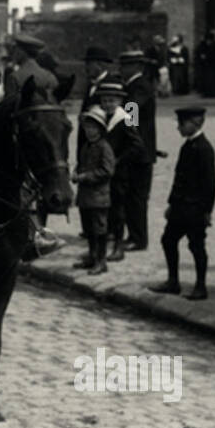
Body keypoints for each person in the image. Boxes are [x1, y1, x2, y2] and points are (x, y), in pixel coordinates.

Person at [149, 106, 215, 300]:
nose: (178, 128)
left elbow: (210, 185)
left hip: (195, 209)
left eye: (182, 124)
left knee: (196, 246)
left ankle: (201, 286)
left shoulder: (204, 149)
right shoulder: (187, 145)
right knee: (168, 240)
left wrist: (207, 211)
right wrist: (171, 204)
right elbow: (179, 179)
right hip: (180, 207)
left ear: (196, 123)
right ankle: (173, 281)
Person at [92, 76, 149, 264]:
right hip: (102, 172)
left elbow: (137, 145)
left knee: (117, 210)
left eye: (112, 100)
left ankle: (118, 246)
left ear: (119, 101)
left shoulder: (126, 119)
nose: (108, 104)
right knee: (101, 210)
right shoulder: (99, 118)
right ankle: (98, 250)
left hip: (118, 173)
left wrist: (118, 160)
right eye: (104, 100)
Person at [119, 49, 157, 250]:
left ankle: (139, 239)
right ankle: (133, 235)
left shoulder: (140, 86)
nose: (122, 69)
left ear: (137, 67)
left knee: (137, 198)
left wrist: (118, 116)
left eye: (126, 65)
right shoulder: (133, 85)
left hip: (140, 152)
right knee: (131, 196)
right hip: (135, 151)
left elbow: (131, 113)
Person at [71, 105, 115, 275]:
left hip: (99, 196)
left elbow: (107, 170)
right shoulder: (86, 147)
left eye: (93, 127)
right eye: (87, 127)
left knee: (99, 229)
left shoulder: (104, 147)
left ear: (100, 129)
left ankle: (101, 261)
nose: (89, 131)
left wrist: (85, 176)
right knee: (88, 229)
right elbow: (81, 164)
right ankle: (92, 255)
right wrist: (76, 171)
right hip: (85, 196)